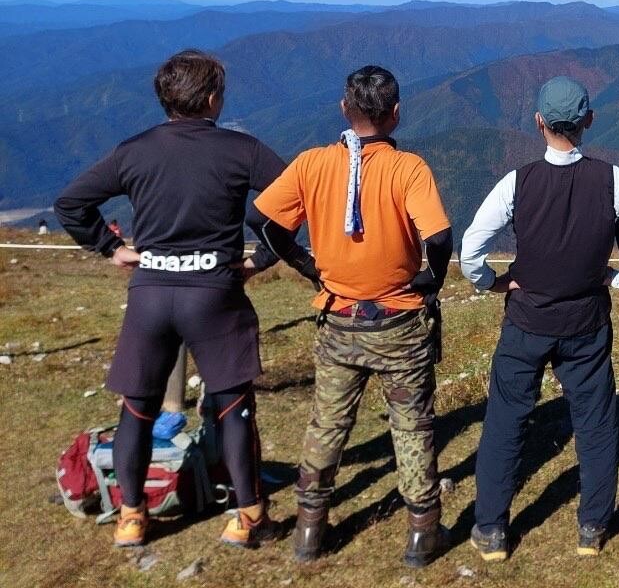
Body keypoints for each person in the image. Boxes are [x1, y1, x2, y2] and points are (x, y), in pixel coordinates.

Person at [55, 49, 290, 550]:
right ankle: (248, 516)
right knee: (232, 404)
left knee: (137, 409)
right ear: (211, 98)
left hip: (151, 293)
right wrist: (261, 259)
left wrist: (112, 248)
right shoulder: (241, 150)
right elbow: (298, 199)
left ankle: (132, 516)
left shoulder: (134, 151)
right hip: (214, 293)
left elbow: (70, 203)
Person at [252, 65, 454, 568]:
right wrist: (432, 280)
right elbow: (440, 238)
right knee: (411, 425)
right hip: (398, 321)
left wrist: (304, 264)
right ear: (397, 113)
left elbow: (263, 220)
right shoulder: (409, 169)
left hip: (338, 319)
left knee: (328, 424)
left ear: (345, 109)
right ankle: (422, 533)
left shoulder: (312, 164)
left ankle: (309, 530)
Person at [460, 76, 619, 561]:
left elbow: (471, 247)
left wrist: (490, 283)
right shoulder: (612, 180)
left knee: (505, 421)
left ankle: (491, 529)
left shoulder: (518, 182)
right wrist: (618, 280)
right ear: (588, 121)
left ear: (538, 123)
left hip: (526, 321)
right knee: (595, 423)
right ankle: (592, 528)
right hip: (586, 323)